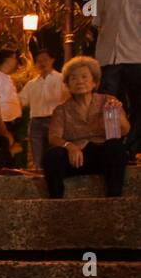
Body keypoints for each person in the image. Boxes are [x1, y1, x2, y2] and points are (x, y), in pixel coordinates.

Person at [44, 55, 130, 199]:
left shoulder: (108, 101)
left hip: (102, 155)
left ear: (94, 82)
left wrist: (118, 114)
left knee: (115, 146)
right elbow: (53, 137)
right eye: (74, 78)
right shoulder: (62, 110)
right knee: (52, 156)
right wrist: (69, 146)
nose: (79, 82)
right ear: (68, 84)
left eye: (84, 77)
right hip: (76, 158)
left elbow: (125, 130)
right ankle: (56, 201)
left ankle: (114, 198)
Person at [94, 0, 141, 157]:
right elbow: (99, 24)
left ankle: (132, 149)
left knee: (138, 106)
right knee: (109, 106)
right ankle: (112, 148)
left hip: (137, 57)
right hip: (109, 59)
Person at [19, 48, 68, 171]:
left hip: (55, 120)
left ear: (52, 60)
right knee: (37, 155)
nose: (42, 63)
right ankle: (38, 174)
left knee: (55, 151)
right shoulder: (32, 84)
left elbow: (68, 98)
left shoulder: (61, 79)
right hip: (36, 121)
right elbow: (21, 101)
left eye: (45, 60)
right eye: (39, 61)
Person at [0, 48, 21, 169]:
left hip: (12, 121)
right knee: (3, 153)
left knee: (10, 152)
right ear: (8, 59)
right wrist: (2, 127)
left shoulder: (8, 78)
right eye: (15, 58)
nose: (16, 61)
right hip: (3, 121)